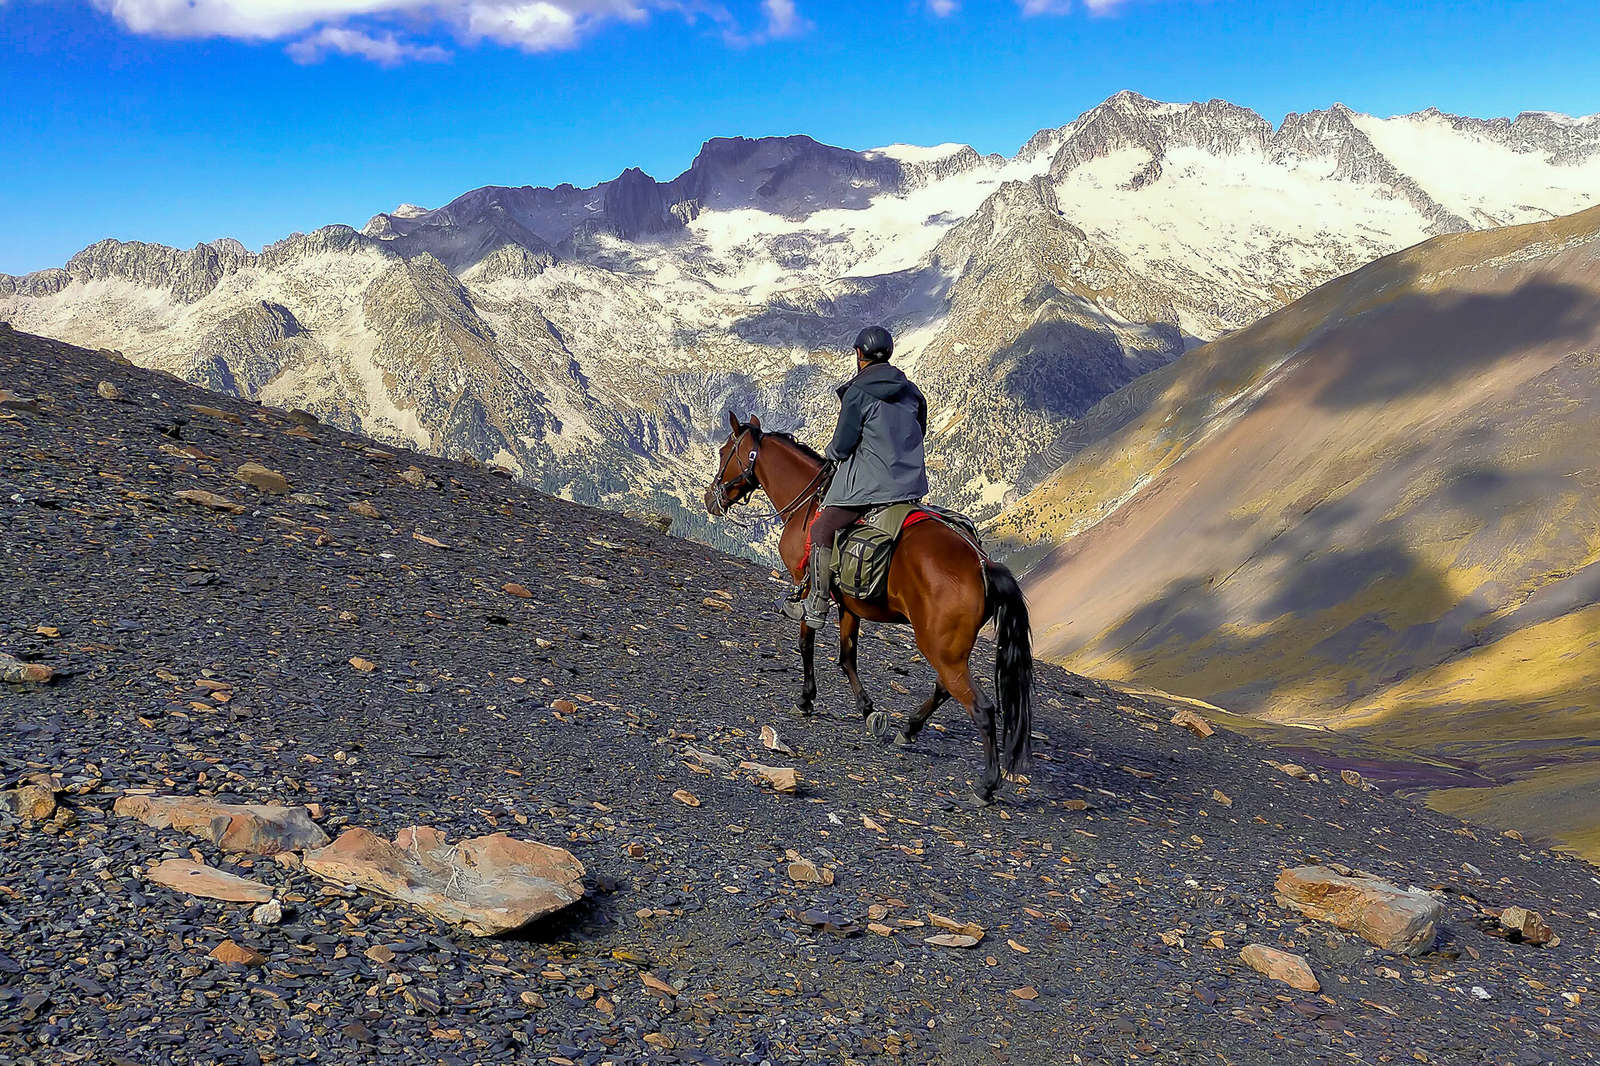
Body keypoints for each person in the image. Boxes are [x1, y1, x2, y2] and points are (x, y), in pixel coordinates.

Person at [793, 325, 929, 628]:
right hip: (910, 488)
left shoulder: (857, 393)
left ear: (859, 354)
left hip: (870, 488)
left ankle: (816, 604)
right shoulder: (912, 391)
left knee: (822, 528)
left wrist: (830, 451)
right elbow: (920, 430)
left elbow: (842, 444)